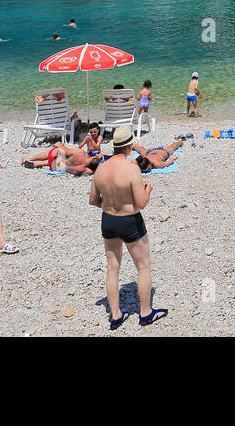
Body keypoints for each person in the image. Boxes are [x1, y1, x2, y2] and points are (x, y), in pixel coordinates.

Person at [90, 128, 164, 329]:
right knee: (143, 265)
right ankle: (146, 312)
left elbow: (93, 200)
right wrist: (148, 189)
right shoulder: (132, 169)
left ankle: (115, 316)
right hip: (130, 221)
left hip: (108, 220)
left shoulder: (101, 168)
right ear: (130, 146)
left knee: (113, 268)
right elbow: (141, 203)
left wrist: (110, 207)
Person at [21, 141, 95, 174]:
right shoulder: (84, 169)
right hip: (56, 167)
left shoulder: (80, 153)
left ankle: (29, 159)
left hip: (53, 158)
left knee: (56, 151)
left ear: (92, 158)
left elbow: (64, 150)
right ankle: (37, 164)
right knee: (61, 161)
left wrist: (58, 144)